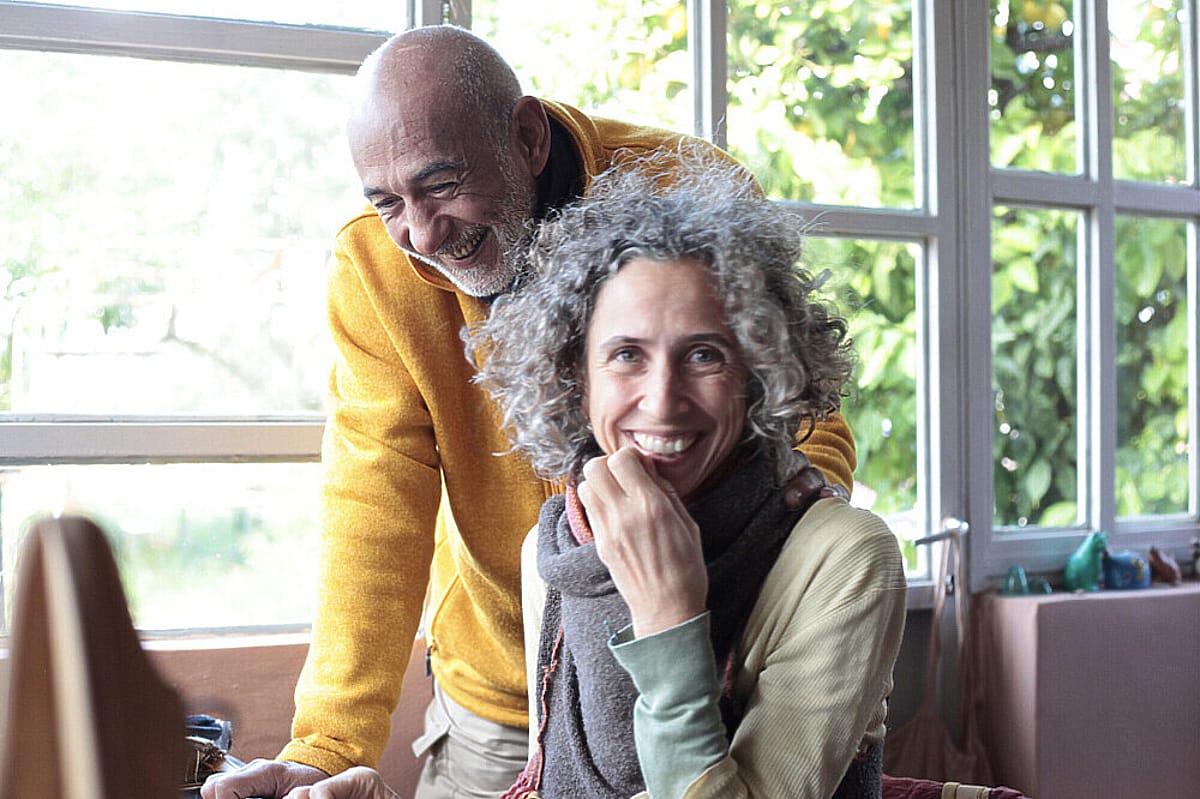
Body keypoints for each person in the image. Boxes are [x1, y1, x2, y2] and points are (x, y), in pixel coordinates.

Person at [203, 25, 858, 799]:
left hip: (711, 671)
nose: (421, 233)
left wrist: (781, 572)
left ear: (526, 136)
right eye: (387, 202)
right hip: (504, 702)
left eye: (442, 184)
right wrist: (329, 744)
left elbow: (796, 410)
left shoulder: (687, 187)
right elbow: (374, 498)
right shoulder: (376, 264)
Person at [295, 154, 907, 799]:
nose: (662, 400)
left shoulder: (845, 558)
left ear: (760, 375)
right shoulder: (556, 547)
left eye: (705, 355)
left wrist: (668, 618)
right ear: (575, 380)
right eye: (626, 355)